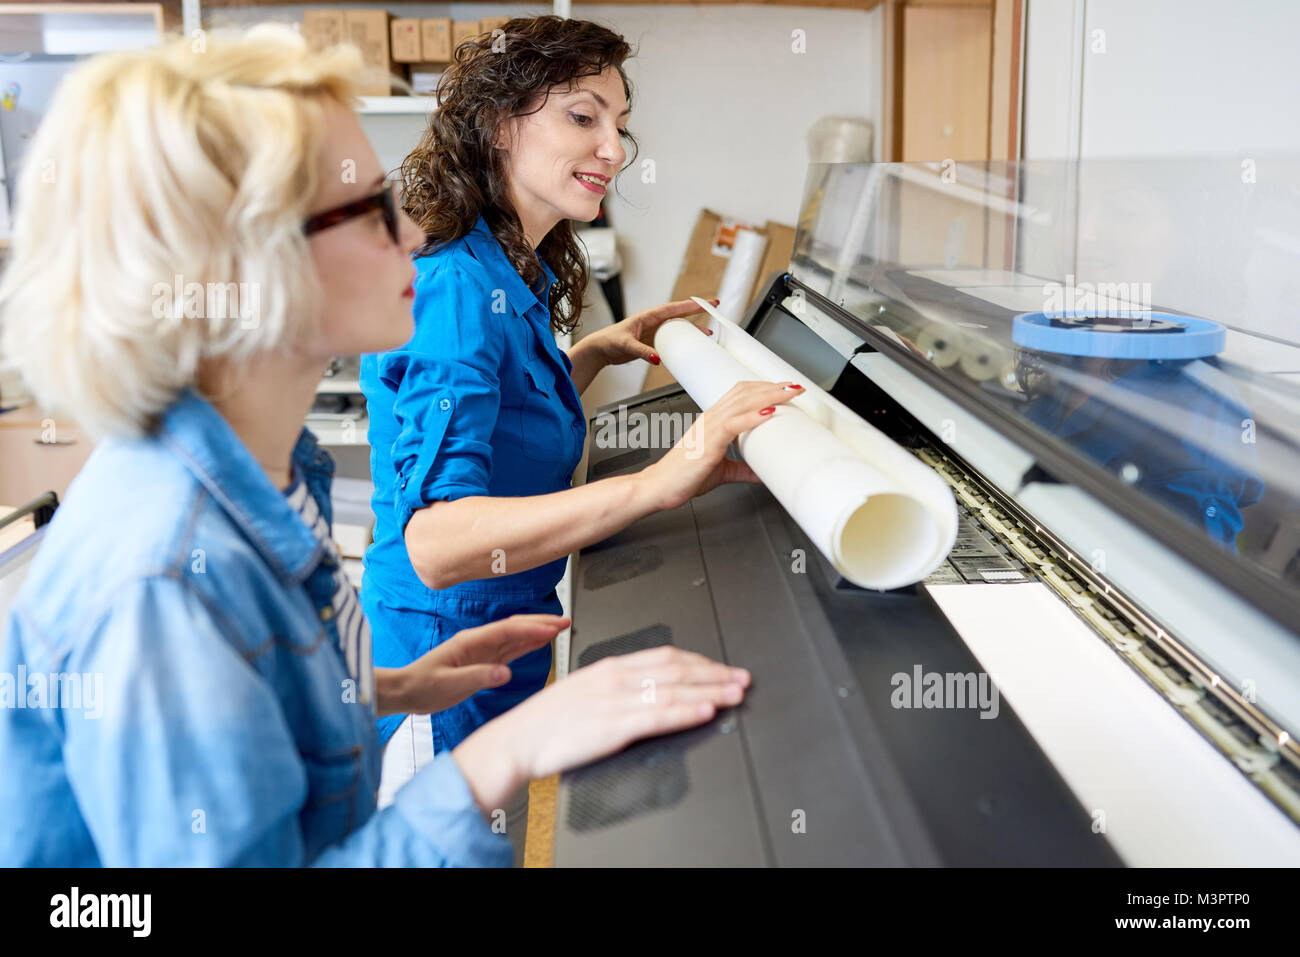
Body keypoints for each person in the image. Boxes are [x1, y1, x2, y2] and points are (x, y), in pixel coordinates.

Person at [0, 25, 773, 866]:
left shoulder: (260, 474)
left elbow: (260, 711)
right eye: (369, 208)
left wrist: (390, 688)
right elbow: (435, 543)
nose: (411, 238)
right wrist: (506, 752)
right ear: (249, 257)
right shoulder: (163, 578)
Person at [361, 16, 801, 833]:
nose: (613, 148)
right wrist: (662, 479)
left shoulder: (505, 269)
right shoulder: (457, 289)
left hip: (507, 642)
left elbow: (499, 423)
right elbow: (437, 540)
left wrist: (591, 354)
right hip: (441, 658)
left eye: (621, 126)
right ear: (498, 123)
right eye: (583, 115)